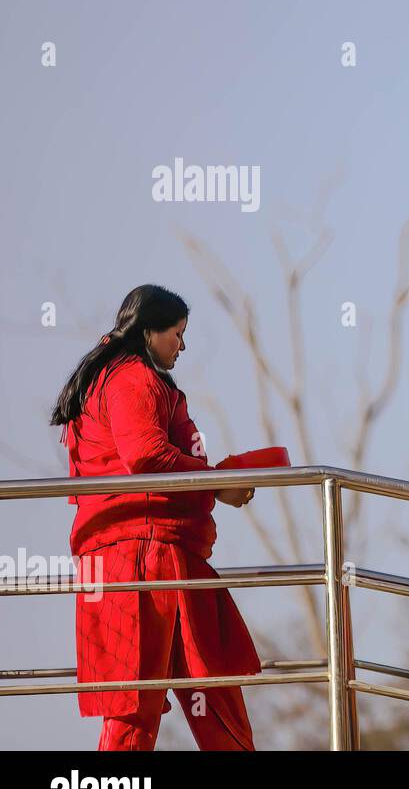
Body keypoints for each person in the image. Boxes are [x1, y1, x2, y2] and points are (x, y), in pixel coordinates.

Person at [50, 284, 262, 750]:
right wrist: (215, 483)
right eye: (177, 334)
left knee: (187, 699)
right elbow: (145, 456)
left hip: (136, 556)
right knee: (147, 708)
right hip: (145, 557)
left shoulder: (104, 380)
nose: (182, 346)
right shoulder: (131, 378)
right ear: (149, 331)